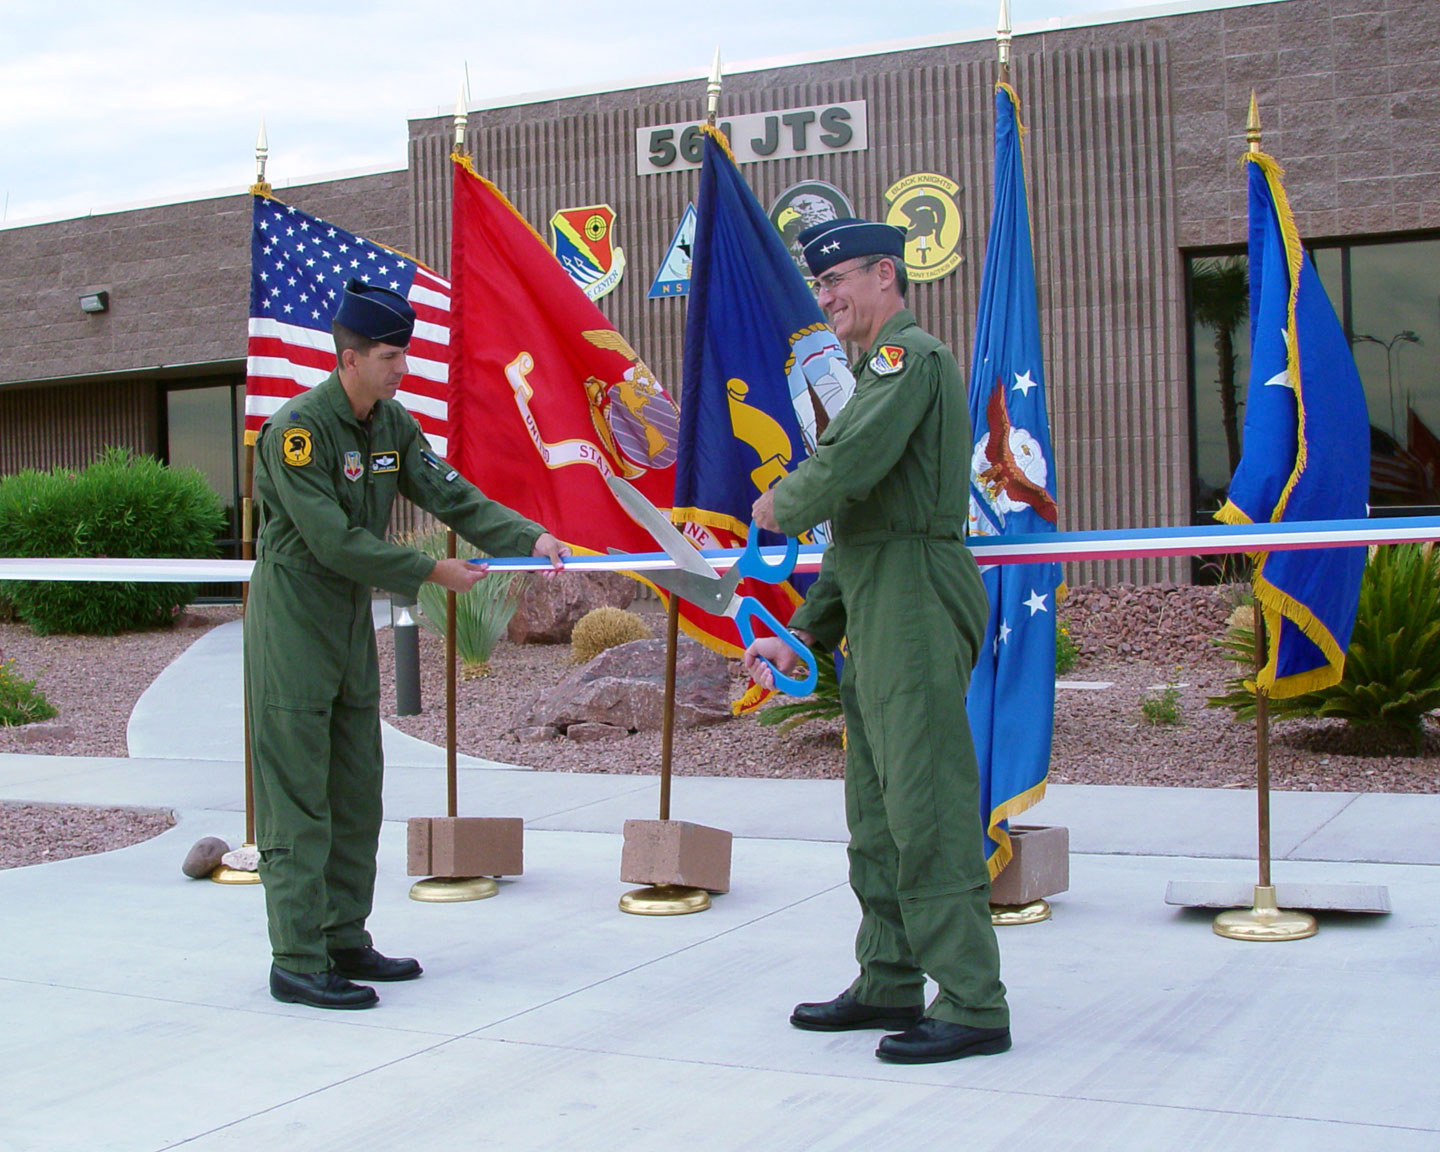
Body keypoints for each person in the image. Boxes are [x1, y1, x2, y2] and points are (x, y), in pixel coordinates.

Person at [245, 279, 567, 1010]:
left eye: (405, 356)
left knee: (356, 787)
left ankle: (343, 938)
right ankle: (297, 958)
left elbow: (450, 493)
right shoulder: (298, 431)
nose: (402, 369)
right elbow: (331, 540)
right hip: (296, 616)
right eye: (391, 357)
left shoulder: (391, 426)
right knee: (298, 793)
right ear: (350, 358)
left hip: (348, 620)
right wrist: (430, 571)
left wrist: (528, 537)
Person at [744, 219, 1010, 1064]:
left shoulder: (909, 360)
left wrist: (783, 500)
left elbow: (847, 472)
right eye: (818, 287)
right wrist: (800, 635)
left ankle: (971, 998)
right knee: (876, 812)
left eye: (837, 283)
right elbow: (856, 534)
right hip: (875, 593)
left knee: (924, 800)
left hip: (918, 597)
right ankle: (890, 975)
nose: (825, 300)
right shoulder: (867, 374)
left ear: (885, 275)